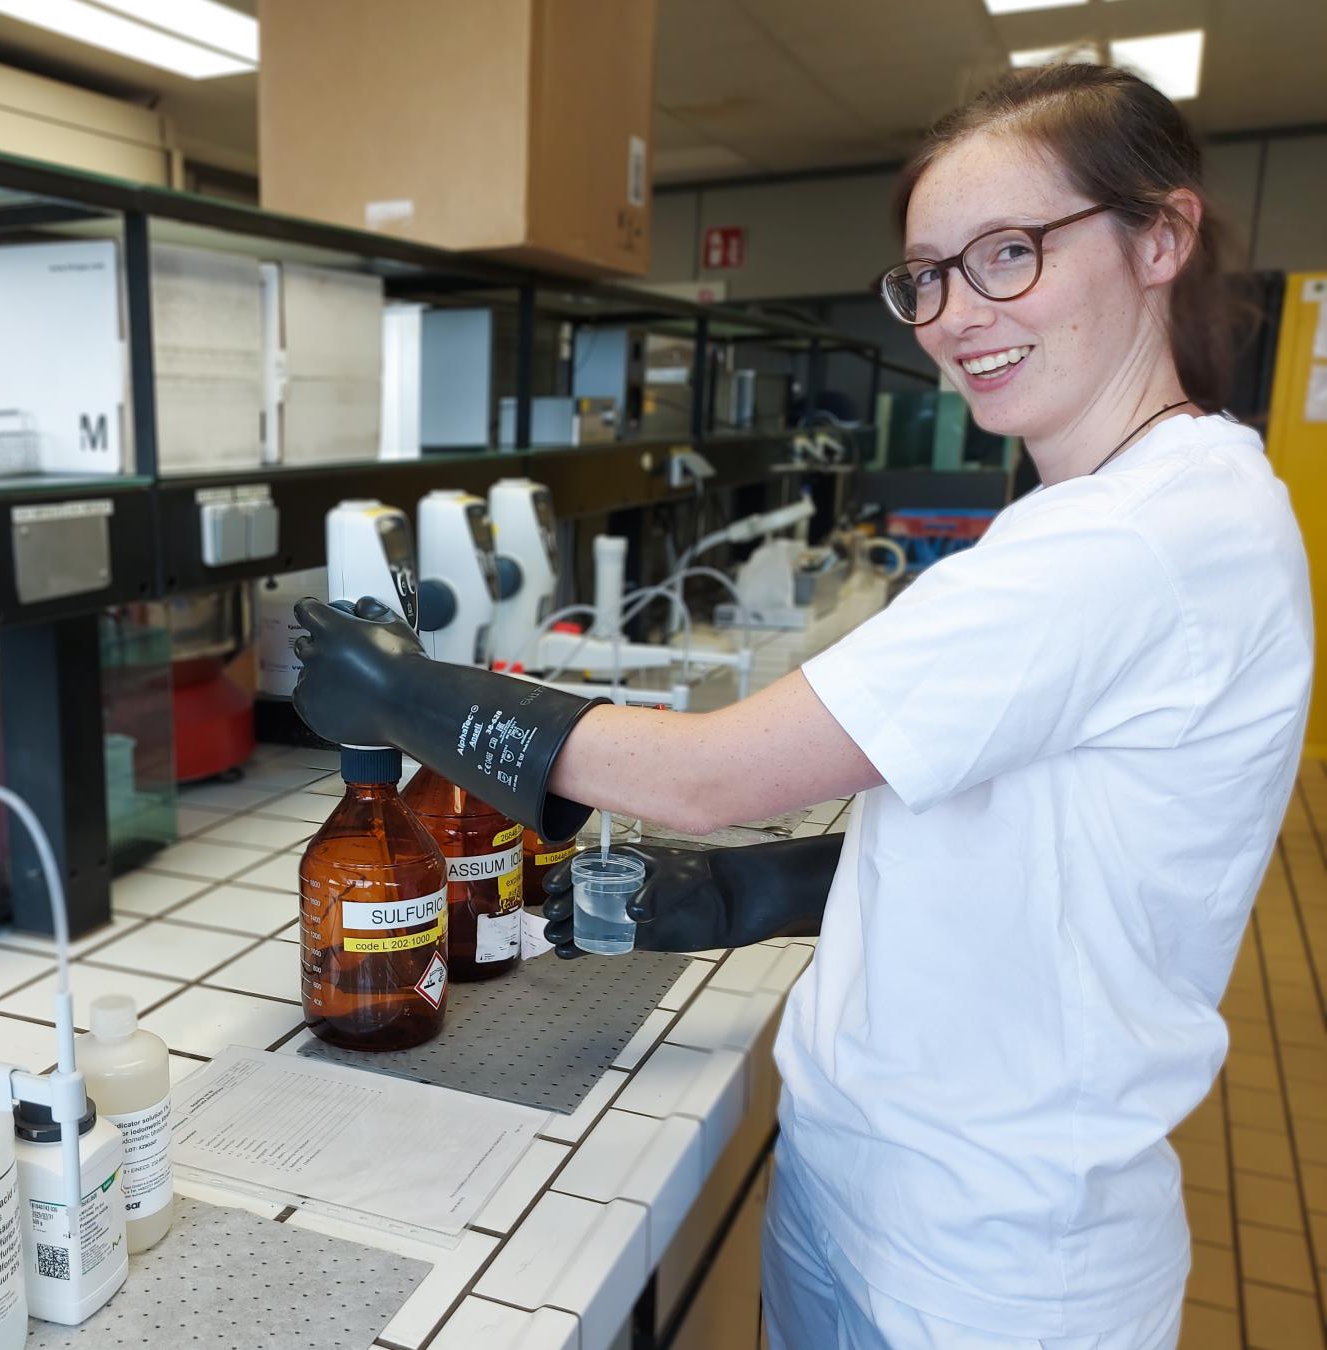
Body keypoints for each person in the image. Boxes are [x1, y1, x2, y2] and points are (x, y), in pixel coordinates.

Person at [289, 62, 1312, 1347]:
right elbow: (1047, 843)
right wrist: (753, 892)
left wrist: (396, 688)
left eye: (1009, 254)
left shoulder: (1133, 539)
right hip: (882, 1191)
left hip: (982, 1259)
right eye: (927, 274)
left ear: (1161, 238)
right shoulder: (1128, 508)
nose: (953, 314)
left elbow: (708, 774)